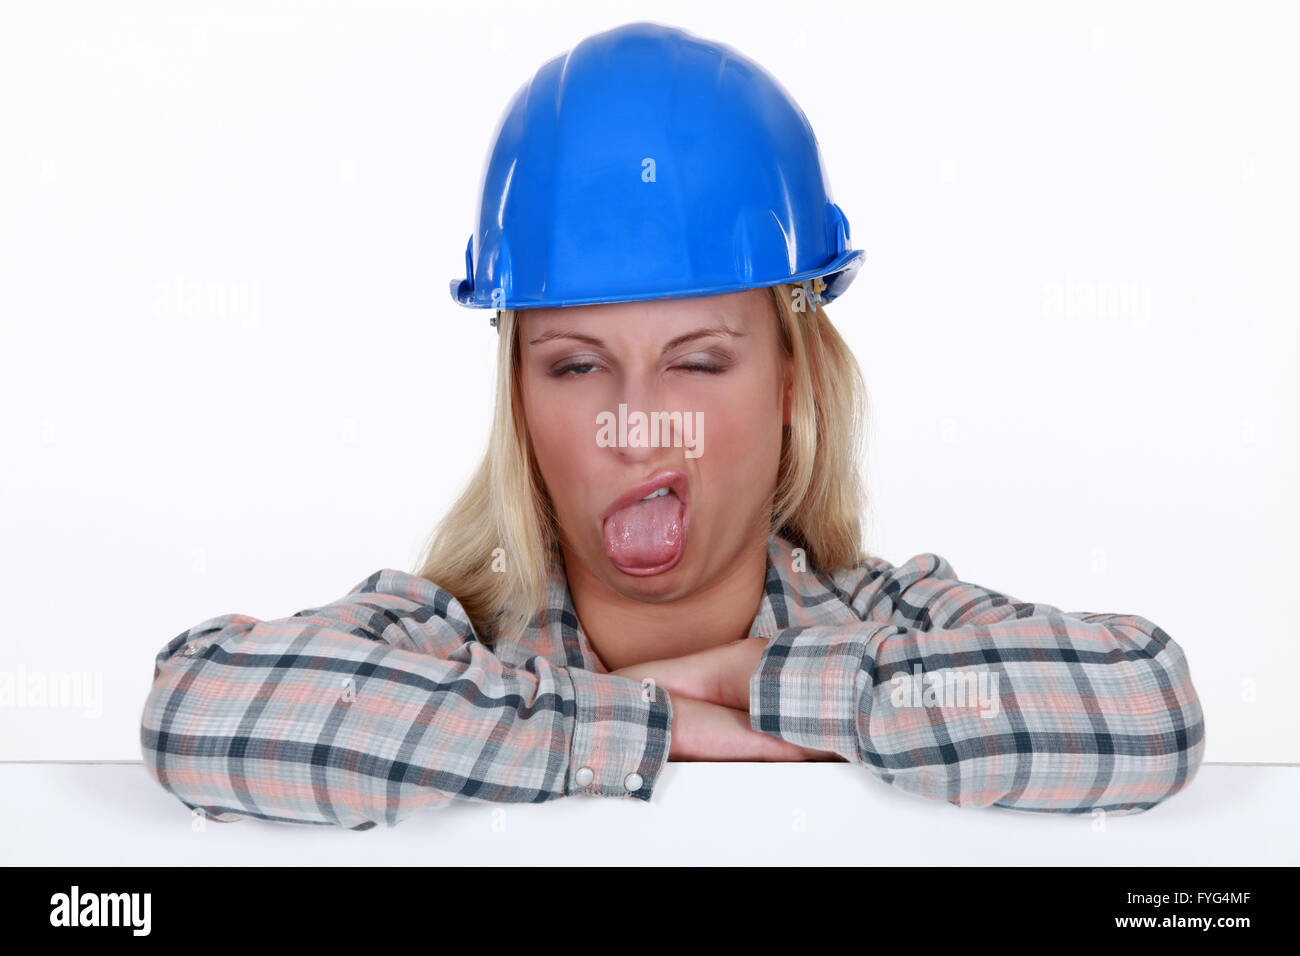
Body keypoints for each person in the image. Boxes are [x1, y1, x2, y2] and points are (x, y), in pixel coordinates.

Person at [139, 22, 1205, 830]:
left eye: (697, 362)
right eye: (574, 366)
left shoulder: (889, 620)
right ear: (516, 396)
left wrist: (753, 678)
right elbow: (198, 703)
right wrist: (629, 725)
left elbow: (1144, 697)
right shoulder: (454, 633)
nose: (637, 425)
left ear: (793, 381)